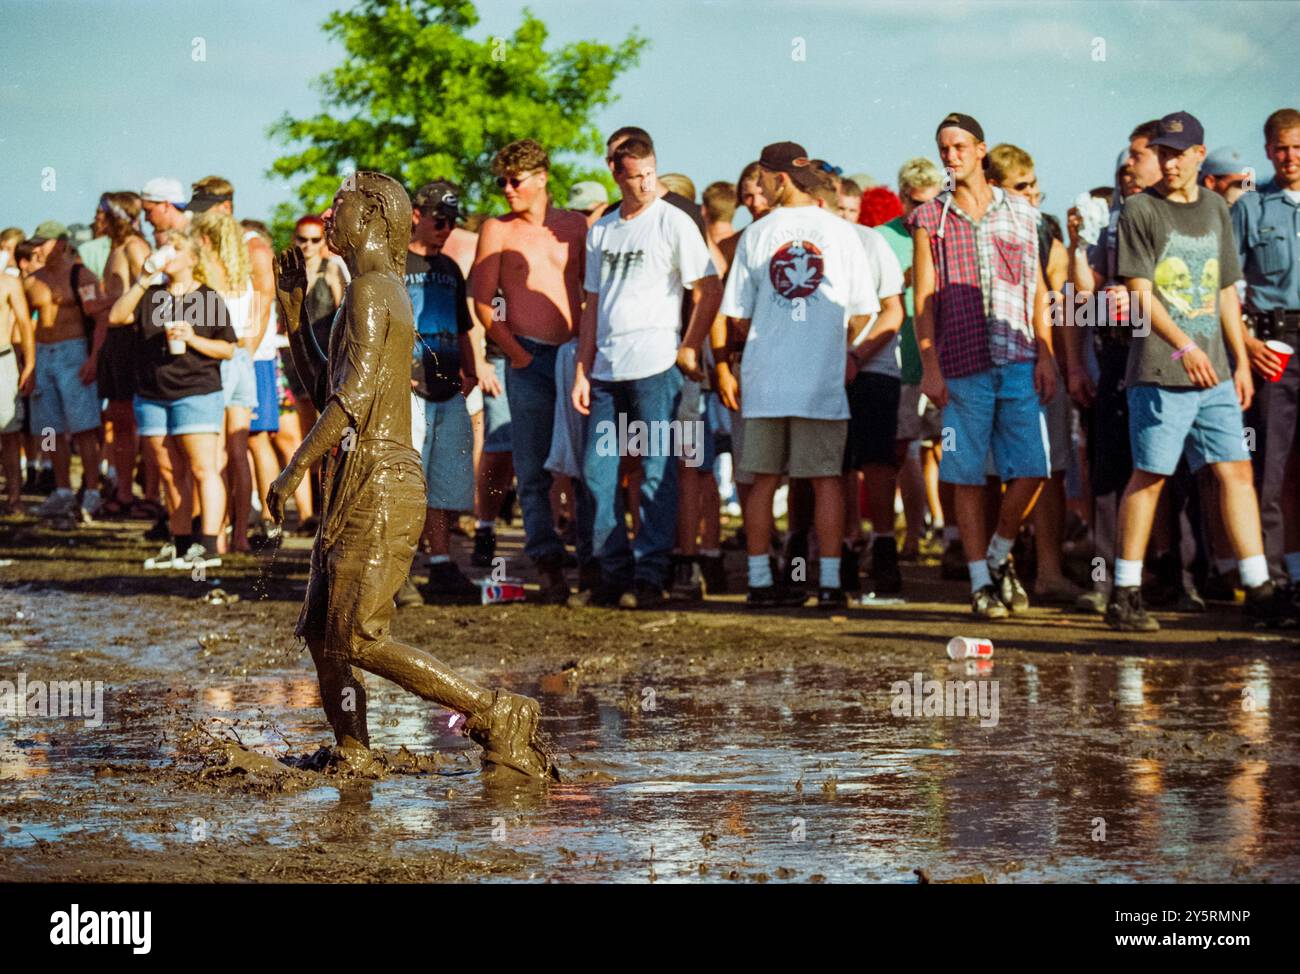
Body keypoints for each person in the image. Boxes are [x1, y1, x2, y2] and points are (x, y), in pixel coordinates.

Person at [267, 170, 555, 780]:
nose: (326, 215)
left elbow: (355, 397)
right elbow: (327, 388)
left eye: (340, 205)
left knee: (361, 637)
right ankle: (353, 749)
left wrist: (293, 470)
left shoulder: (375, 292)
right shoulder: (367, 291)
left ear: (372, 216)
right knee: (324, 634)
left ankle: (497, 710)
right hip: (358, 478)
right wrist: (295, 319)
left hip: (380, 481)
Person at [1108, 111, 1293, 631]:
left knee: (1233, 470)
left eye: (1178, 153)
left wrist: (1240, 360)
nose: (1169, 162)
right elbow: (1140, 295)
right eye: (1161, 153)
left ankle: (1258, 585)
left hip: (1214, 370)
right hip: (1162, 368)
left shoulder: (1215, 207)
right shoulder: (1140, 210)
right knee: (1151, 476)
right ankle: (1124, 592)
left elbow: (1225, 292)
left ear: (1197, 155)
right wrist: (1184, 346)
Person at [909, 113, 1058, 620]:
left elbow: (1038, 290)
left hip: (1018, 358)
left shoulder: (1020, 211)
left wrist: (1048, 353)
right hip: (962, 363)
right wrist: (930, 364)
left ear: (979, 150)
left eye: (959, 146)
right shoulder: (932, 217)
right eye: (943, 148)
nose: (951, 155)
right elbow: (923, 297)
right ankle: (978, 581)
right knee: (966, 474)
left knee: (1033, 468)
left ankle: (998, 555)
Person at [722, 142, 880, 608]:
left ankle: (759, 580)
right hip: (821, 378)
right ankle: (830, 583)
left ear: (778, 179)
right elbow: (862, 312)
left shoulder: (757, 234)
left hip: (767, 376)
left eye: (764, 179)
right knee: (825, 478)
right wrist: (832, 343)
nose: (762, 186)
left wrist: (772, 332)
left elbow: (737, 315)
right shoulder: (841, 232)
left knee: (763, 477)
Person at [572, 136, 720, 608]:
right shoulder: (603, 229)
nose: (645, 183)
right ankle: (612, 572)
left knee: (658, 470)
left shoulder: (673, 221)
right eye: (635, 175)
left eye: (651, 173)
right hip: (607, 368)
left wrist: (689, 345)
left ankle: (650, 575)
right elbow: (592, 302)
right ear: (615, 173)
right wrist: (582, 366)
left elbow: (709, 286)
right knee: (598, 473)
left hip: (657, 363)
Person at [472, 139, 590, 603]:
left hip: (573, 356)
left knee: (583, 462)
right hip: (528, 356)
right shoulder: (497, 230)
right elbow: (484, 302)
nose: (506, 189)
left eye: (514, 180)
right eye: (500, 180)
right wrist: (516, 354)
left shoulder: (574, 226)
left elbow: (589, 290)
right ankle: (546, 560)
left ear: (541, 177)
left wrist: (586, 351)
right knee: (532, 465)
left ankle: (591, 556)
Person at [1065, 122, 1163, 614]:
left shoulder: (1182, 218)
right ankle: (1104, 582)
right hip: (1117, 357)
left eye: (1138, 156)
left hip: (1171, 356)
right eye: (1124, 157)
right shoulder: (1109, 223)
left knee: (1169, 472)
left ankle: (1176, 579)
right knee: (1108, 472)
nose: (1127, 164)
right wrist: (1079, 247)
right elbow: (1084, 302)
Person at [987, 143, 1084, 604]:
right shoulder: (976, 227)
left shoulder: (1045, 233)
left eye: (1034, 184)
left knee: (1049, 466)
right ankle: (996, 565)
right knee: (989, 472)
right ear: (996, 188)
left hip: (1037, 359)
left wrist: (1068, 363)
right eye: (1022, 186)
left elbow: (1058, 304)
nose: (1034, 193)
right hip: (987, 363)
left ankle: (1048, 569)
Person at [108, 230, 234, 569]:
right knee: (167, 471)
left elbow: (227, 348)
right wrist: (143, 279)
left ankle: (207, 546)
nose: (168, 253)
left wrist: (192, 339)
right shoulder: (151, 295)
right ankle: (180, 545)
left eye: (175, 248)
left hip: (197, 390)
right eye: (165, 247)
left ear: (192, 259)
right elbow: (116, 317)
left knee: (202, 468)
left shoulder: (208, 298)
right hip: (151, 394)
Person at [1233, 108, 1300, 598]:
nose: (1290, 157)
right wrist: (1247, 344)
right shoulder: (1250, 208)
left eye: (1298, 146)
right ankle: (1276, 583)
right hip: (1274, 345)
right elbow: (1225, 286)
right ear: (1267, 150)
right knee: (1269, 469)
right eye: (1281, 147)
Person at [189, 176, 274, 553]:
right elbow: (258, 317)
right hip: (243, 358)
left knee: (217, 452)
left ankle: (217, 534)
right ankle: (240, 533)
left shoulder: (209, 274)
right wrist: (248, 349)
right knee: (239, 450)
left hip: (220, 358)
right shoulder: (246, 270)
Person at [406, 180, 479, 602]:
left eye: (452, 221)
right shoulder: (395, 263)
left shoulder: (450, 268)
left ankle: (440, 563)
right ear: (417, 215)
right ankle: (398, 570)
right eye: (439, 220)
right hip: (410, 387)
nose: (446, 228)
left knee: (444, 481)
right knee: (408, 478)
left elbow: (465, 325)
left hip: (449, 386)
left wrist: (472, 368)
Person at [879, 159, 945, 562]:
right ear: (902, 196)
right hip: (900, 363)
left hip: (942, 359)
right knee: (902, 452)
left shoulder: (945, 233)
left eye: (930, 202)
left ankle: (949, 534)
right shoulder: (880, 238)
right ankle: (912, 534)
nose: (922, 212)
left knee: (944, 450)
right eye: (916, 202)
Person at [23, 220, 106, 521]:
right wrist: (29, 364)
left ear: (59, 243)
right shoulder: (32, 281)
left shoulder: (81, 276)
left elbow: (100, 319)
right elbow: (24, 324)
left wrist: (94, 357)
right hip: (44, 354)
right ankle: (61, 489)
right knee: (49, 428)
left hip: (74, 352)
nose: (36, 249)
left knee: (84, 426)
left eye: (41, 243)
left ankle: (93, 491)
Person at [95, 192, 151, 517]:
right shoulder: (114, 248)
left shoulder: (134, 247)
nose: (96, 219)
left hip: (132, 340)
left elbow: (151, 294)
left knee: (134, 420)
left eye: (101, 213)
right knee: (119, 421)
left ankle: (147, 493)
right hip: (115, 340)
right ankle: (125, 491)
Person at [240, 219, 286, 546]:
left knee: (257, 439)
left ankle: (271, 521)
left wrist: (248, 351)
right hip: (238, 356)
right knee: (237, 442)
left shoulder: (255, 249)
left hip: (255, 357)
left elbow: (264, 302)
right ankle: (243, 520)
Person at [0, 258, 34, 512]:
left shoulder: (9, 283)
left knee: (10, 431)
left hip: (4, 360)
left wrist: (30, 364)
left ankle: (15, 497)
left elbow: (24, 324)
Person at [139, 177, 189, 247]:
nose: (146, 218)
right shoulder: (166, 241)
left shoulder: (199, 234)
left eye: (149, 211)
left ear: (166, 205)